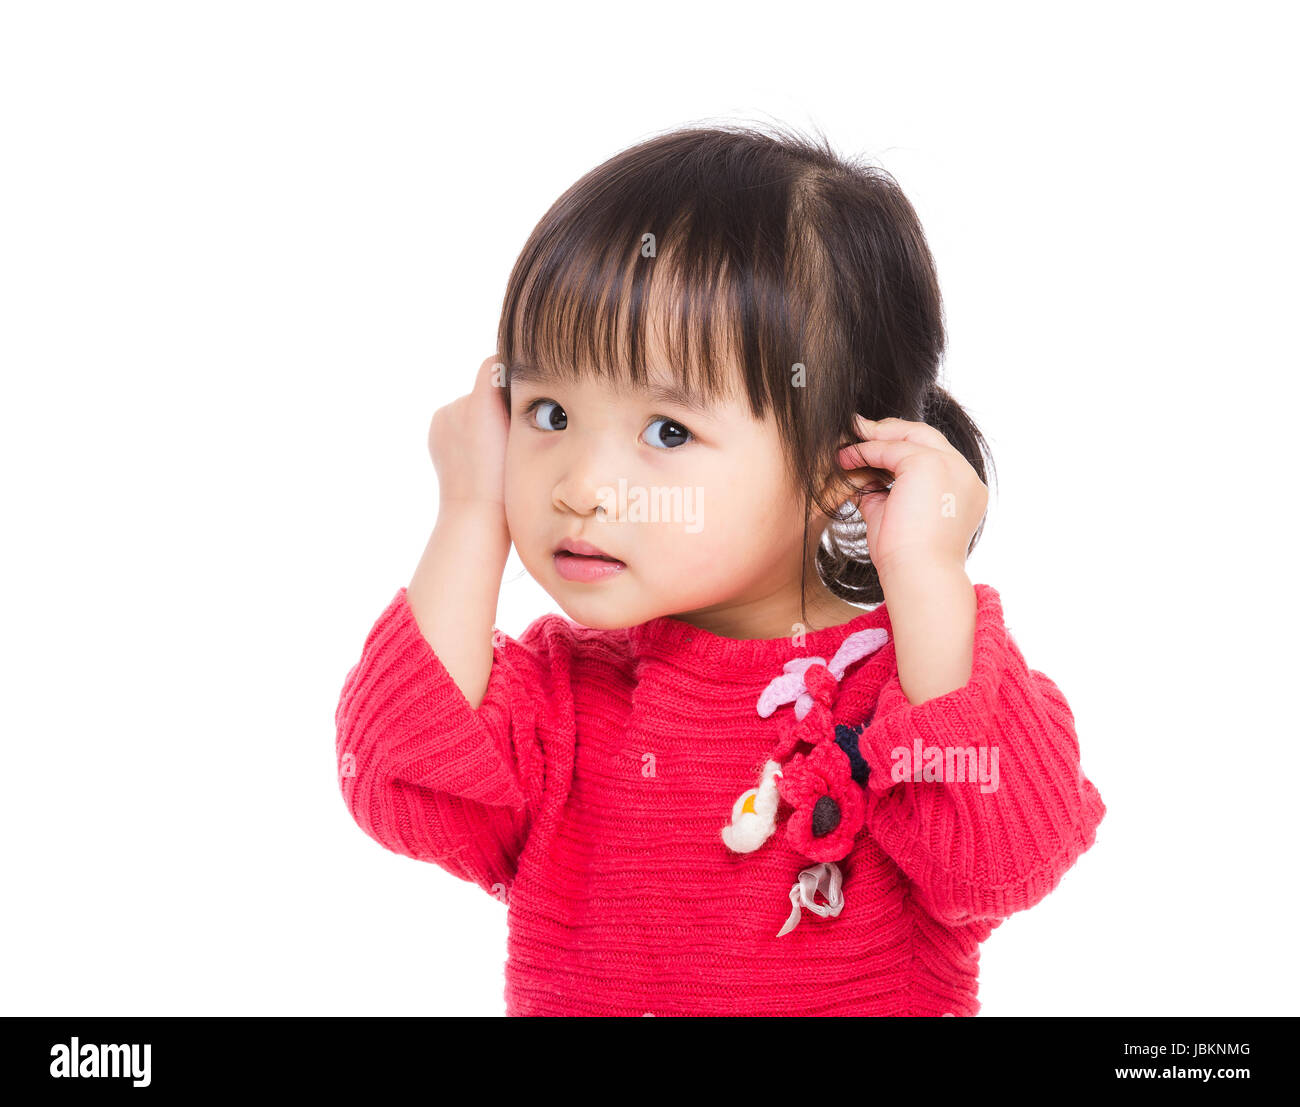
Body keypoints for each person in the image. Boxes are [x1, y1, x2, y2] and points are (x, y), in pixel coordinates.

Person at [334, 121, 1106, 1016]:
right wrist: (470, 512)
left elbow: (1007, 855)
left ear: (838, 461)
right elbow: (394, 773)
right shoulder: (562, 707)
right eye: (548, 412)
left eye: (667, 431)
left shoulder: (909, 686)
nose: (580, 487)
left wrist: (928, 574)